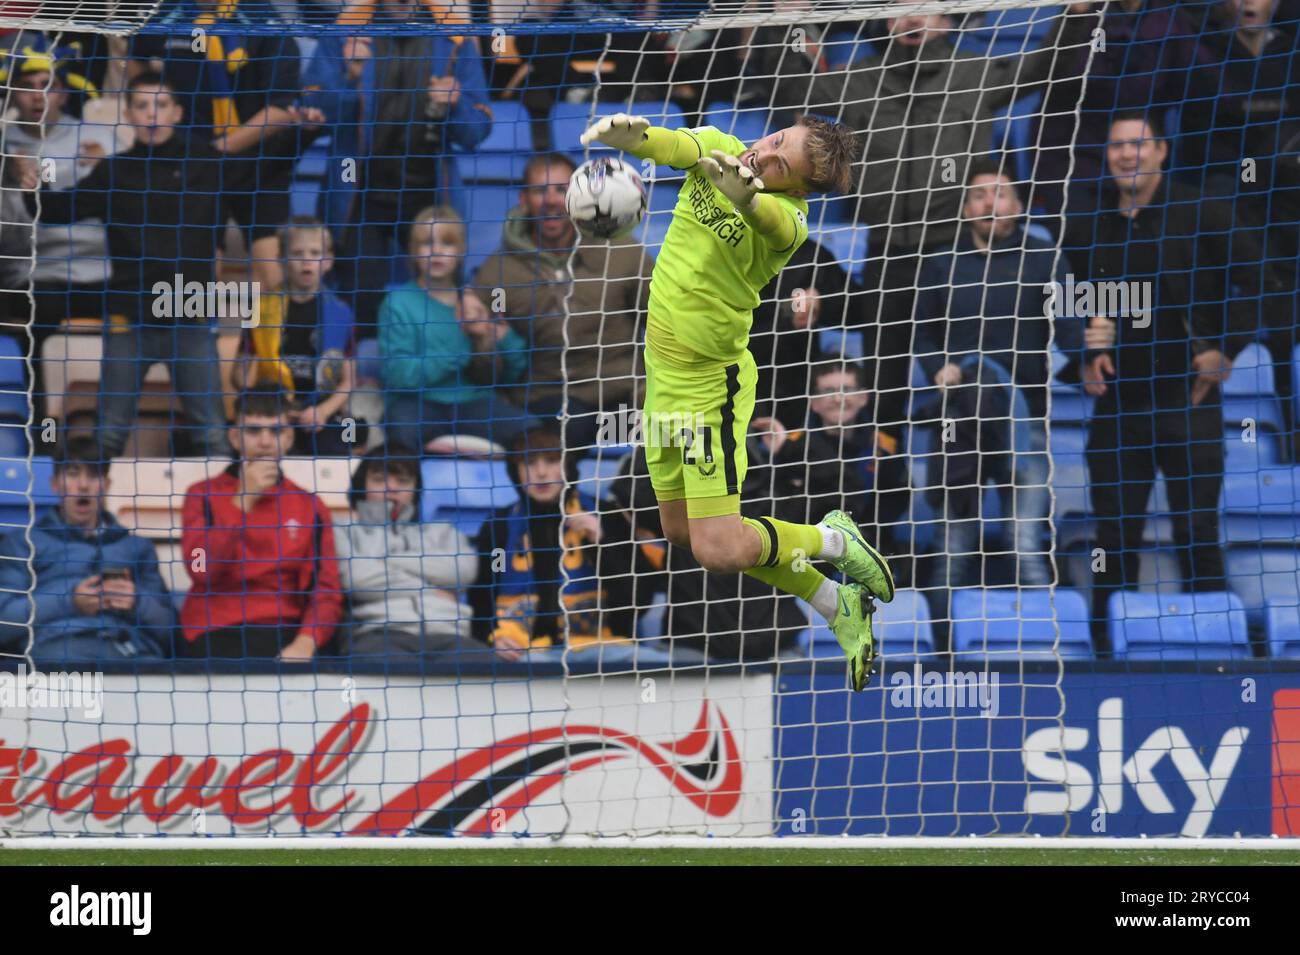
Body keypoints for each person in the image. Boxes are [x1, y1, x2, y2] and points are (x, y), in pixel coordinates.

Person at [579, 110, 891, 691]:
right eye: (774, 141)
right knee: (680, 533)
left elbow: (767, 218)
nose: (762, 156)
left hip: (707, 385)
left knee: (720, 549)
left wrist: (747, 195)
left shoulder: (791, 222)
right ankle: (832, 601)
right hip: (662, 378)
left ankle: (833, 541)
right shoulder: (723, 147)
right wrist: (637, 138)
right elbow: (677, 145)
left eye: (780, 164)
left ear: (797, 189)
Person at [752, 1, 1097, 449]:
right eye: (900, 11)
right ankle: (878, 495)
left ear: (949, 19)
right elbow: (792, 83)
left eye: (926, 10)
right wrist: (786, 16)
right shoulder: (860, 77)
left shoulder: (975, 73)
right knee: (884, 386)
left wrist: (1074, 12)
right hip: (887, 253)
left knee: (963, 382)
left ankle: (964, 485)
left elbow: (1046, 65)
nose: (912, 19)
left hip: (956, 254)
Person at [1063, 113, 1263, 651]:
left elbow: (1259, 279)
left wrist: (1226, 347)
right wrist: (1083, 348)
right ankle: (1107, 652)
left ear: (1161, 152)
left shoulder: (1204, 210)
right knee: (1114, 536)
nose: (1127, 155)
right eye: (1117, 148)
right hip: (1120, 406)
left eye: (1138, 145)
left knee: (1196, 530)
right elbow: (1063, 298)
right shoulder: (1088, 222)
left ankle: (1218, 649)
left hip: (1187, 396)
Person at [13, 72, 237, 459]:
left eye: (161, 104)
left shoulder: (208, 163)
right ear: (129, 114)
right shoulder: (114, 171)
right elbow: (54, 211)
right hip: (130, 312)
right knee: (108, 436)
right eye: (142, 105)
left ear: (178, 112)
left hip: (192, 309)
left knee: (213, 436)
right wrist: (38, 177)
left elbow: (257, 186)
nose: (152, 114)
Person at [914, 161, 1083, 591]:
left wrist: (1092, 349)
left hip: (1023, 424)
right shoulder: (940, 263)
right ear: (967, 208)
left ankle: (1046, 651)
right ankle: (943, 649)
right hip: (959, 424)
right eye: (979, 195)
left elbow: (1070, 330)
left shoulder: (1046, 258)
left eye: (1001, 194)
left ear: (1019, 205)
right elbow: (923, 333)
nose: (991, 203)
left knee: (1025, 544)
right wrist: (938, 368)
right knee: (951, 549)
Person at [303, 0, 492, 334]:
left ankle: (434, 380)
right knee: (359, 307)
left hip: (429, 194)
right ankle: (359, 381)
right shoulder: (346, 28)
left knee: (439, 308)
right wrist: (350, 78)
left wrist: (456, 104)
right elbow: (313, 111)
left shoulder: (455, 33)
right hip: (357, 195)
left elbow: (476, 131)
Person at [131, 0, 323, 292]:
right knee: (197, 272)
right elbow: (136, 56)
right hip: (191, 167)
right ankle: (202, 335)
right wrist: (154, 102)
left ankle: (276, 336)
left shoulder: (264, 19)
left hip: (260, 165)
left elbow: (282, 108)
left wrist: (219, 149)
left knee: (276, 274)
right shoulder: (167, 13)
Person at [470, 152, 651, 450]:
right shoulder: (498, 275)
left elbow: (661, 320)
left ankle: (627, 493)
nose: (552, 200)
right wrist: (485, 341)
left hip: (625, 392)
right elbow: (488, 373)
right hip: (551, 399)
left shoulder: (623, 252)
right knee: (566, 428)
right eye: (541, 191)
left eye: (561, 189)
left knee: (680, 427)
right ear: (524, 199)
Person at [179, 386, 344, 659]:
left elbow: (325, 589)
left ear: (289, 438)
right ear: (234, 437)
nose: (265, 442)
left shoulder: (310, 506)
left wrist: (307, 641)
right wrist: (242, 502)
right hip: (215, 628)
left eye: (276, 431)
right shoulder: (201, 495)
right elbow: (199, 568)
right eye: (253, 431)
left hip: (287, 630)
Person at [0, 41, 115, 426]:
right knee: (36, 328)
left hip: (99, 272)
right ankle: (41, 434)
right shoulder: (4, 148)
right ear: (13, 93)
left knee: (152, 310)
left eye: (46, 84)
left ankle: (106, 432)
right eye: (28, 85)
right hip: (33, 278)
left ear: (63, 94)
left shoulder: (102, 138)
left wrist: (107, 172)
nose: (38, 95)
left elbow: (126, 209)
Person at [0, 437, 174, 664]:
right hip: (56, 657)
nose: (83, 485)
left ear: (107, 485)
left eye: (93, 475)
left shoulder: (137, 548)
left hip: (131, 658)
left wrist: (137, 602)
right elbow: (4, 624)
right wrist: (70, 601)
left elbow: (171, 634)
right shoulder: (23, 543)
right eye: (72, 474)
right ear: (54, 484)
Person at [469, 424, 637, 659]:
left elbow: (637, 599)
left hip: (597, 645)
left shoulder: (605, 515)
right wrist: (493, 636)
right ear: (515, 471)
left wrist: (602, 543)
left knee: (652, 661)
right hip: (523, 649)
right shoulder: (499, 527)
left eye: (551, 460)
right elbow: (484, 593)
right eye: (529, 463)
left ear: (567, 465)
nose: (540, 473)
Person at [379, 205, 533, 451]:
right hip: (418, 406)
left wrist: (502, 338)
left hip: (475, 405)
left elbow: (512, 375)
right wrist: (462, 347)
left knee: (532, 433)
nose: (437, 251)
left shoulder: (481, 296)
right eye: (427, 243)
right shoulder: (397, 303)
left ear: (462, 250)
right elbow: (398, 376)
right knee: (399, 432)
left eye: (447, 243)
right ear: (413, 251)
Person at [334, 444, 479, 656]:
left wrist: (383, 562)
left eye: (403, 481)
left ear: (415, 490)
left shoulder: (443, 530)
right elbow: (356, 578)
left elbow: (462, 571)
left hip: (451, 634)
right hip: (378, 634)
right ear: (361, 486)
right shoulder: (343, 529)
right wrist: (431, 589)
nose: (392, 488)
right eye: (379, 479)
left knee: (489, 667)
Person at [240, 217, 367, 457]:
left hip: (324, 414)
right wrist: (272, 406)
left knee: (346, 437)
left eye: (315, 253)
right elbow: (241, 375)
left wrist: (324, 411)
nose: (307, 260)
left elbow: (348, 381)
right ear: (281, 259)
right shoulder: (259, 309)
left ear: (328, 262)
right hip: (274, 412)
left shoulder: (342, 313)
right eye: (297, 253)